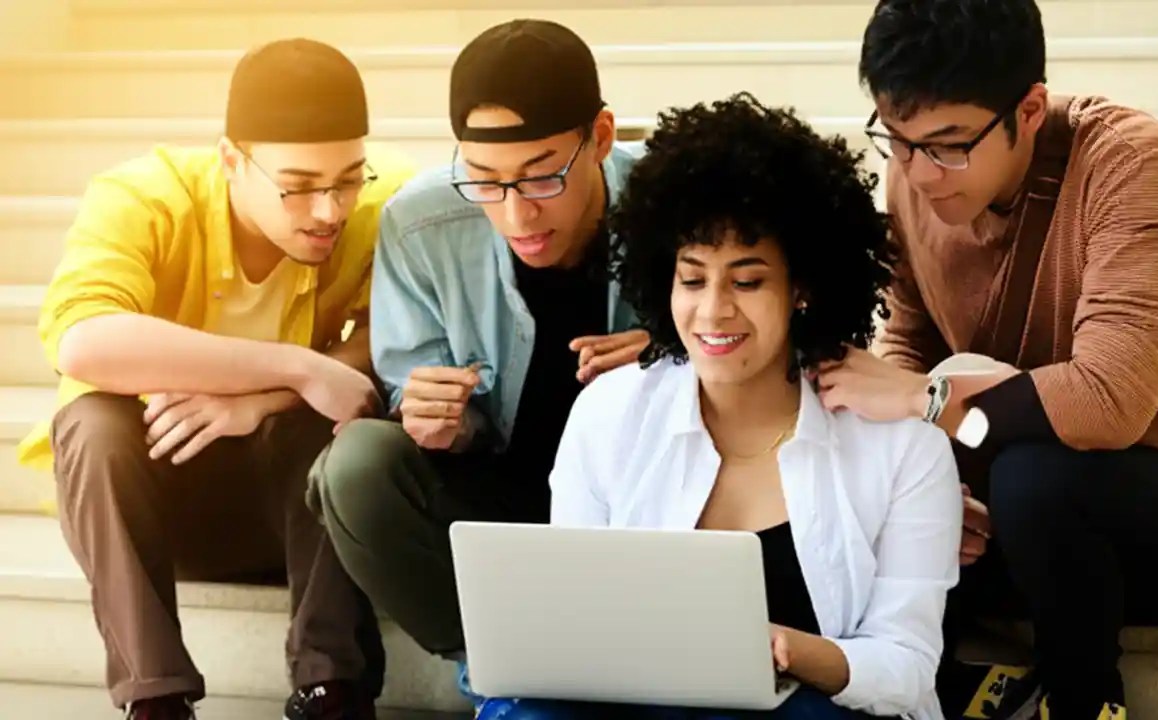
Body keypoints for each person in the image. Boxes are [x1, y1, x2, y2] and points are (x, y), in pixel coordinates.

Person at [813, 2, 1158, 719]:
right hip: (1006, 505)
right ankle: (915, 697)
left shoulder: (1130, 162)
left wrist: (928, 403)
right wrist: (925, 481)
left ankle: (1083, 702)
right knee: (868, 491)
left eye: (948, 144)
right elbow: (908, 348)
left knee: (1036, 477)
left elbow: (1109, 400)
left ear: (1028, 109)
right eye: (896, 141)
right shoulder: (911, 177)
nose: (921, 174)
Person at [470, 93, 964, 720]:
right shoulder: (609, 414)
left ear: (802, 287)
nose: (712, 312)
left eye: (748, 280)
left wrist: (784, 649)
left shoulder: (903, 448)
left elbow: (907, 667)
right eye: (693, 277)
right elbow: (575, 625)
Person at [15, 39, 416, 720]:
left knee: (340, 425)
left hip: (300, 509)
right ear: (232, 159)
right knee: (90, 423)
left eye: (348, 179)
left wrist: (258, 404)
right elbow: (82, 340)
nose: (329, 210)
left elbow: (393, 351)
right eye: (298, 186)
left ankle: (333, 690)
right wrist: (295, 366)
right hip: (157, 507)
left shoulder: (383, 205)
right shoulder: (144, 197)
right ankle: (157, 699)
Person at [309, 18, 647, 672]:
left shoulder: (680, 200)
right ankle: (502, 669)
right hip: (501, 501)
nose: (516, 214)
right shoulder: (421, 220)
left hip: (651, 502)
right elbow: (418, 390)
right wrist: (442, 421)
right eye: (485, 180)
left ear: (600, 137)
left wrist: (679, 366)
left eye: (542, 176)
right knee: (353, 466)